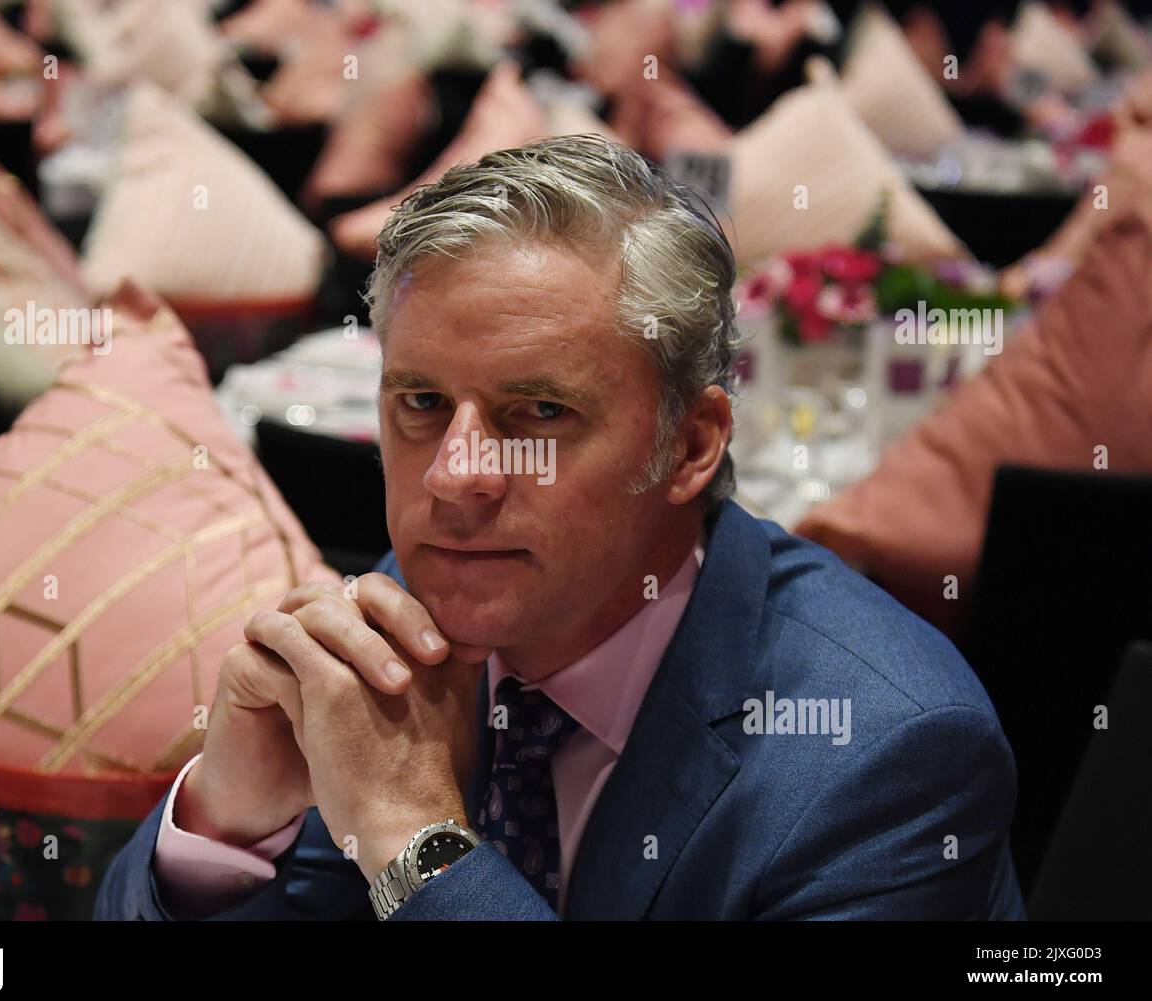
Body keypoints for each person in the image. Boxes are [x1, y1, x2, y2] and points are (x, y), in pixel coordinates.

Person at [95, 133, 1025, 921]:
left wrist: (414, 844)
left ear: (690, 444)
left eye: (538, 412)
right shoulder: (406, 619)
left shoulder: (884, 751)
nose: (455, 480)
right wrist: (225, 823)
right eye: (420, 401)